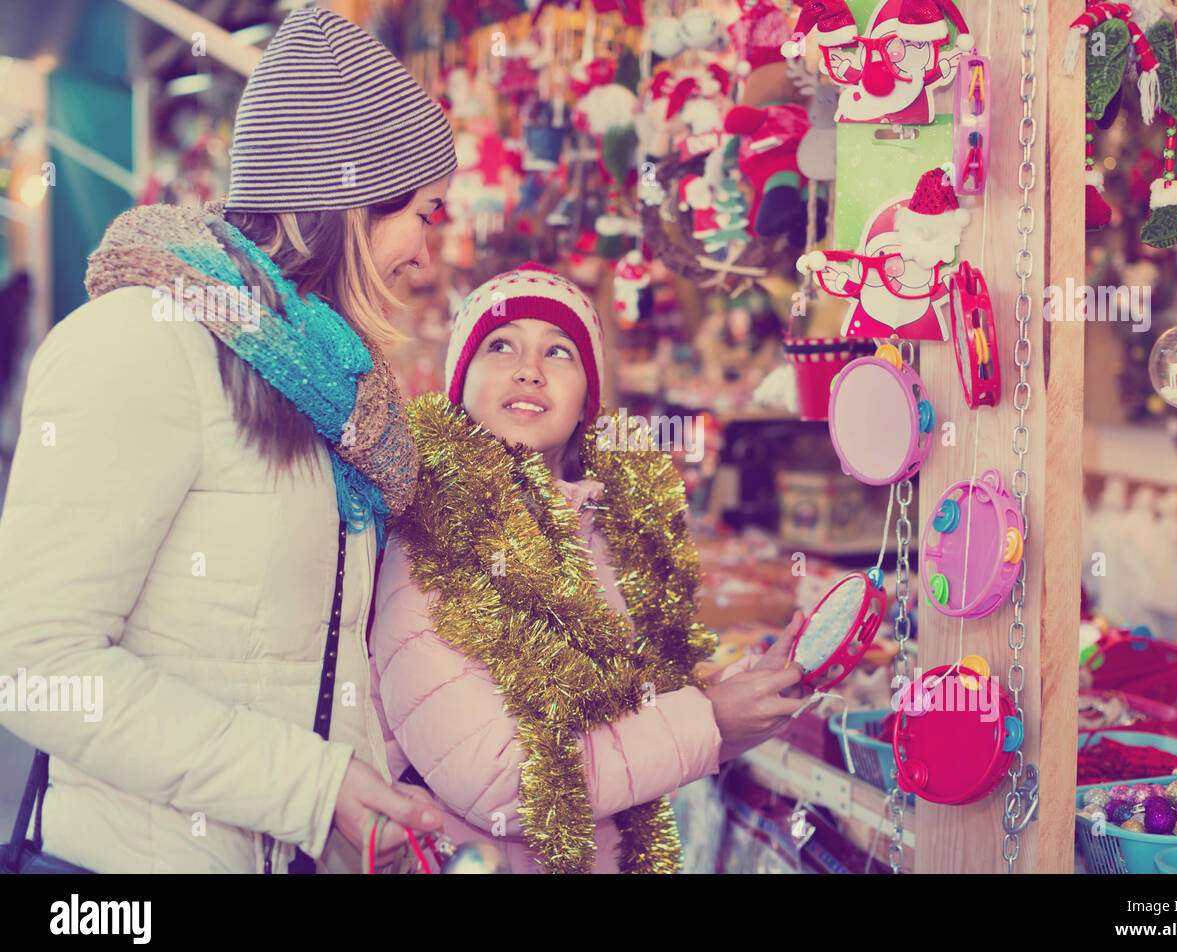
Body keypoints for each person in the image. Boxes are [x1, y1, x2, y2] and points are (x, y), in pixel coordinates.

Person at [0, 7, 458, 873]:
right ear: (354, 199)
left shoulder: (329, 387)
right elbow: (34, 663)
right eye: (425, 214)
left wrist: (366, 794)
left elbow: (294, 651)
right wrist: (310, 788)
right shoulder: (143, 342)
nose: (427, 257)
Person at [369, 263, 808, 874]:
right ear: (459, 386)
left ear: (585, 405)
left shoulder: (604, 534)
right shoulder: (426, 542)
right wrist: (707, 718)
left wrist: (744, 702)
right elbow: (508, 784)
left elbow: (630, 738)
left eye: (559, 351)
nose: (530, 368)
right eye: (500, 345)